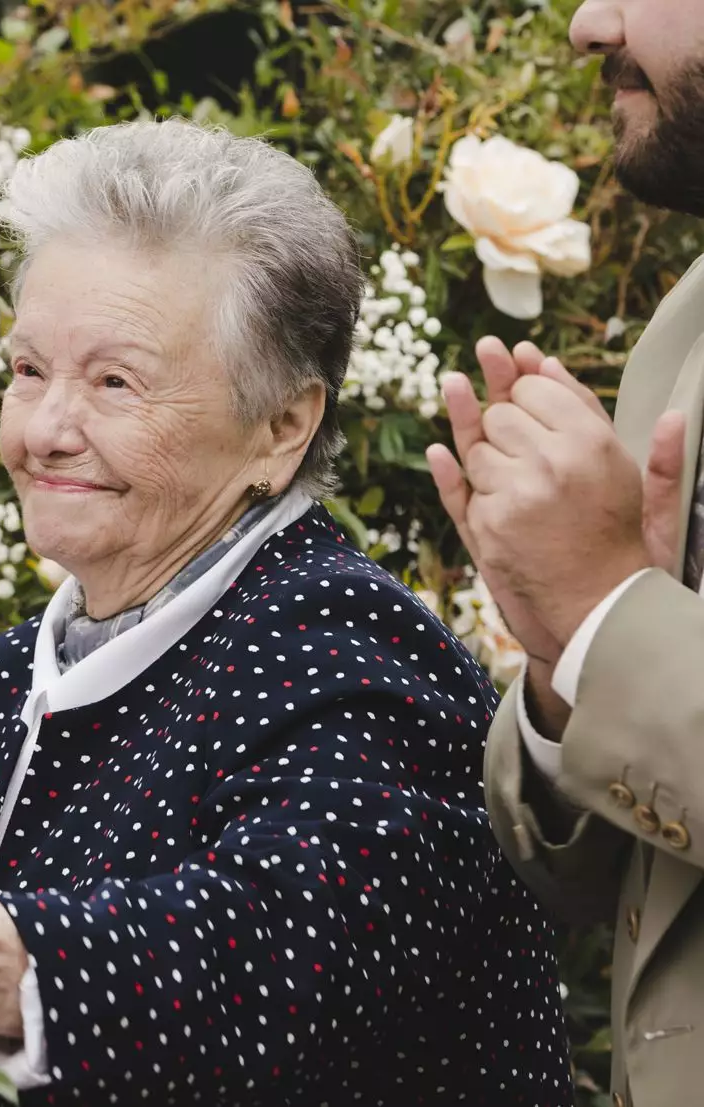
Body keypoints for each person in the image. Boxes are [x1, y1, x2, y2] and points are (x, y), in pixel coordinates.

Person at [0, 119, 572, 1104]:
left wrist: (4, 964)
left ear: (281, 426)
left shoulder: (352, 655)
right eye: (27, 371)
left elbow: (279, 954)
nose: (45, 431)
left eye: (114, 382)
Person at [427, 0, 704, 1102]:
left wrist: (605, 613)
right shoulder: (683, 330)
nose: (591, 25)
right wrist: (559, 669)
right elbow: (617, 883)